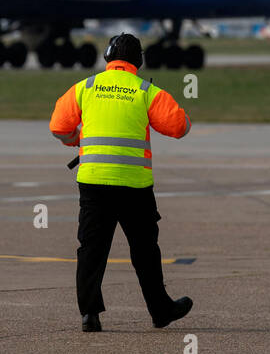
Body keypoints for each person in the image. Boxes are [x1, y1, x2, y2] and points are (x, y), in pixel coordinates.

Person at [49, 32, 193, 332]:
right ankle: (160, 310)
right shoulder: (145, 91)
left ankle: (90, 314)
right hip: (134, 186)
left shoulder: (86, 87)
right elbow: (180, 127)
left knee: (91, 249)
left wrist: (77, 140)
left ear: (107, 58)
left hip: (93, 182)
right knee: (144, 251)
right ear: (138, 61)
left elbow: (58, 127)